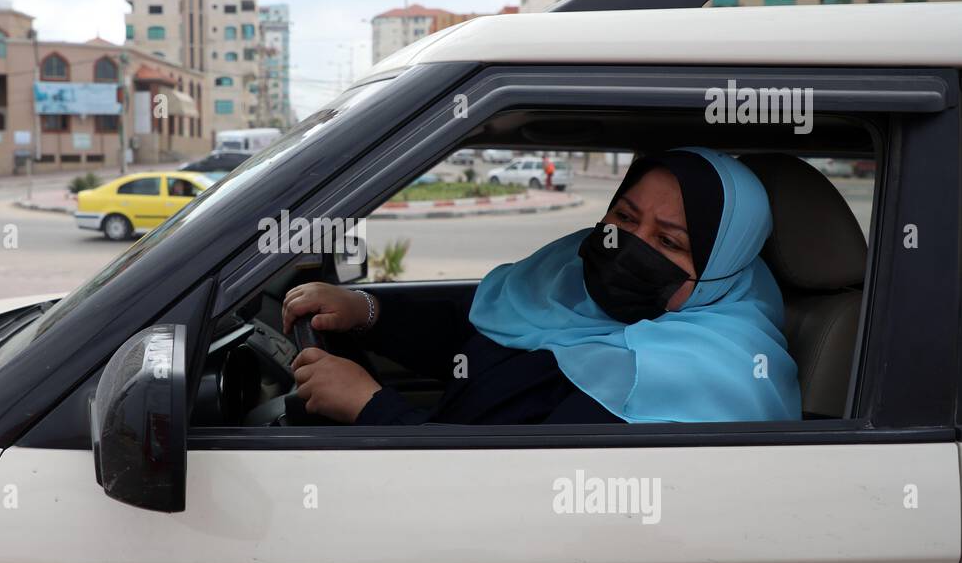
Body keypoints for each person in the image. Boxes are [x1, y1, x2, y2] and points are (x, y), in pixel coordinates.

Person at [282, 146, 801, 426]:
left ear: (722, 268)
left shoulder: (693, 380)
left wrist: (370, 407)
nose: (630, 244)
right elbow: (476, 333)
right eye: (624, 215)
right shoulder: (567, 282)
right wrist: (365, 311)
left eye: (669, 242)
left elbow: (513, 493)